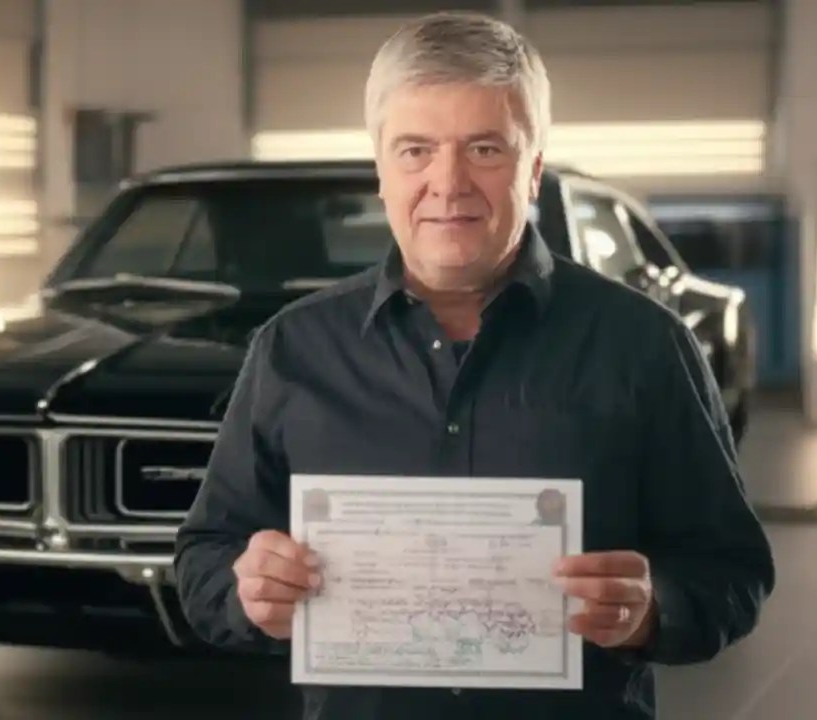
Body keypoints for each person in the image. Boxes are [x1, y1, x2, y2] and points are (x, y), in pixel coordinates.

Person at [174, 10, 774, 720]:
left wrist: (654, 609)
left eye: (486, 148)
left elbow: (731, 572)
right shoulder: (294, 349)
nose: (448, 182)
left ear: (535, 169)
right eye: (415, 150)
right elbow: (205, 556)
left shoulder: (643, 345)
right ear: (381, 170)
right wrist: (245, 592)